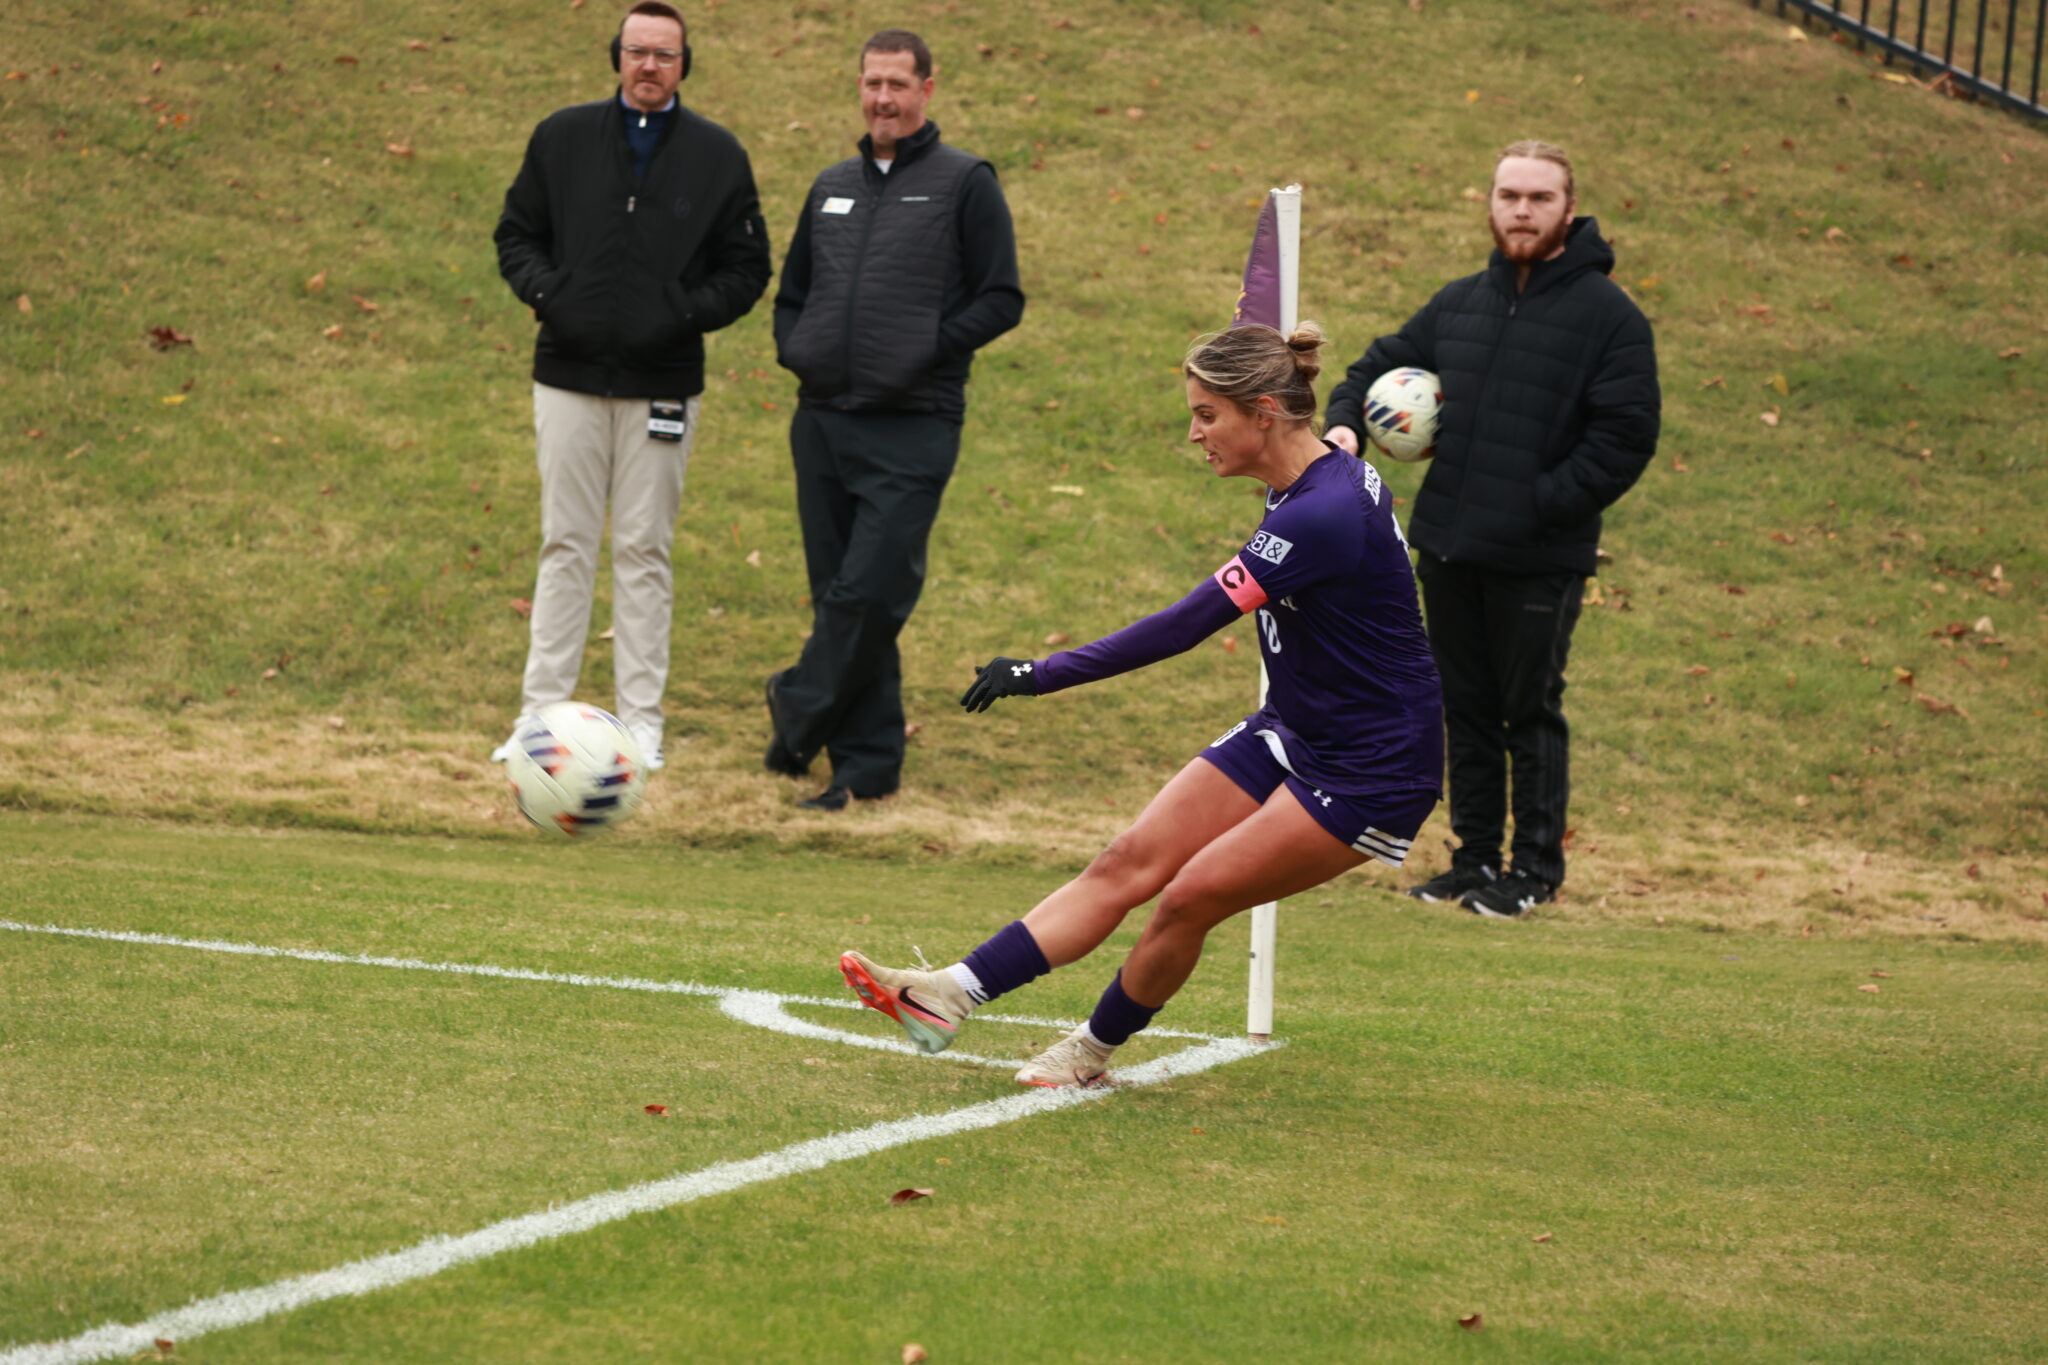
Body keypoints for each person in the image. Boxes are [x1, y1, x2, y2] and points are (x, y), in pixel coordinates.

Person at [839, 324, 1442, 1087]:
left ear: (1262, 412)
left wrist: (1041, 671)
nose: (1193, 433)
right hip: (1298, 726)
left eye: (1206, 414)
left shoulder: (1315, 516)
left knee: (1187, 896)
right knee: (1128, 860)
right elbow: (1319, 433)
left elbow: (1186, 625)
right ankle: (947, 994)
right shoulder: (1314, 469)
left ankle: (1090, 1051)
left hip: (1375, 767)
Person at [1322, 140, 1660, 919]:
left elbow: (1625, 438)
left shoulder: (1610, 319)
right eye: (1509, 195)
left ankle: (1533, 873)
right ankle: (1472, 861)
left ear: (1568, 210)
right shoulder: (1460, 303)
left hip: (1539, 557)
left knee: (1529, 711)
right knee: (1463, 710)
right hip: (1447, 547)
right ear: (1491, 203)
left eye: (1540, 198)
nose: (1521, 210)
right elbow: (1369, 369)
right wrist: (1346, 426)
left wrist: (1539, 503)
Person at [491, 0, 771, 770]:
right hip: (569, 377)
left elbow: (748, 267)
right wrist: (555, 297)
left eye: (665, 55)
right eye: (637, 51)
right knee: (565, 544)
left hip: (664, 385)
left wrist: (680, 314)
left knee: (644, 550)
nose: (650, 66)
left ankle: (640, 723)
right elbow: (517, 235)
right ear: (617, 55)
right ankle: (536, 716)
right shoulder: (562, 138)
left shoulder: (718, 155)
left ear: (685, 66)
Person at [763, 28, 1025, 811]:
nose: (883, 98)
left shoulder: (964, 182)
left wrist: (926, 351)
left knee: (870, 592)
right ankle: (866, 767)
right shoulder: (831, 184)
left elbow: (1001, 297)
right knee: (838, 593)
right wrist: (796, 350)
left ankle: (796, 707)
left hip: (914, 423)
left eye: (898, 84)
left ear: (927, 90)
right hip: (822, 420)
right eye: (872, 83)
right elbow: (794, 294)